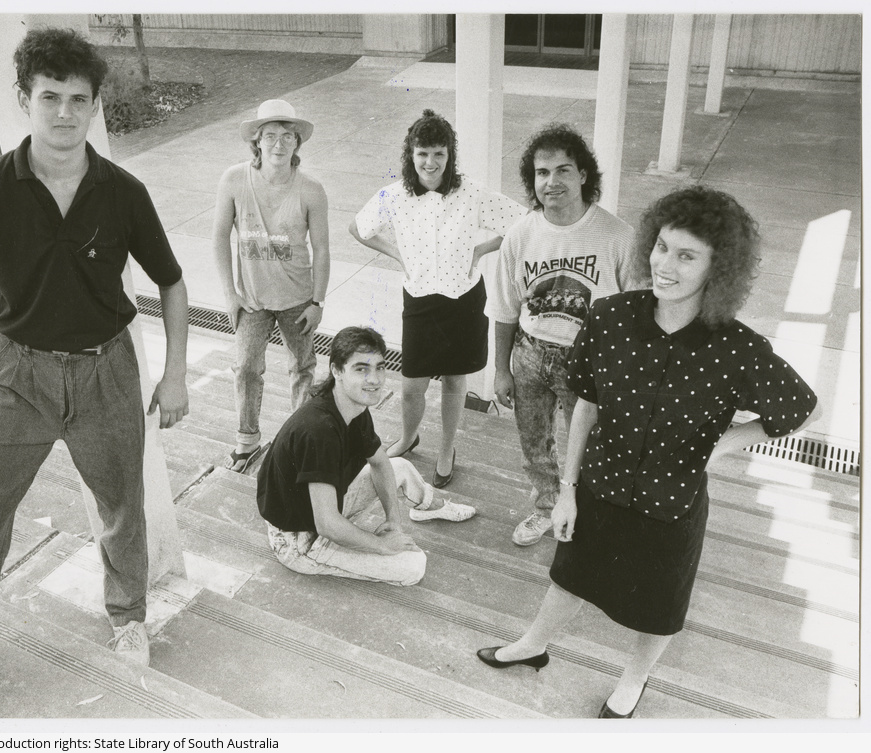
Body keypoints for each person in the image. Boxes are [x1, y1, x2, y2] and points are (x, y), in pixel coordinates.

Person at [0, 28, 190, 717]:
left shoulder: (122, 190)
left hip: (108, 374)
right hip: (21, 376)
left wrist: (176, 373)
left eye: (78, 99)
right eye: (50, 97)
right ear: (25, 99)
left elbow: (173, 283)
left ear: (95, 105)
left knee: (122, 506)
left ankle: (129, 617)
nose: (64, 113)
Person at [476, 186, 818, 718]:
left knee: (658, 605)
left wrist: (729, 443)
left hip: (671, 501)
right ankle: (533, 645)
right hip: (599, 484)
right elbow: (586, 402)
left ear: (717, 268)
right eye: (661, 247)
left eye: (686, 256)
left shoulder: (738, 348)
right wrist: (565, 492)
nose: (665, 265)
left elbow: (805, 408)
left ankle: (634, 680)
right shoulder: (609, 317)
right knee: (570, 574)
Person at [350, 109, 525, 493]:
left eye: (439, 154)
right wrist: (398, 254)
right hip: (420, 301)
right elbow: (357, 227)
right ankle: (409, 437)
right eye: (422, 154)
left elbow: (522, 222)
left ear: (450, 156)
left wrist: (481, 250)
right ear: (410, 155)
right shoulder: (393, 196)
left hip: (464, 301)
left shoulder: (473, 193)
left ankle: (447, 450)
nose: (430, 163)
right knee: (412, 386)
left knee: (454, 381)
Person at [488, 124, 641, 547]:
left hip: (589, 361)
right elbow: (503, 309)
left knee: (588, 447)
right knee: (534, 444)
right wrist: (502, 370)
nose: (551, 182)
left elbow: (638, 316)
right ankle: (544, 507)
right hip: (531, 355)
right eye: (541, 173)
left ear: (583, 175)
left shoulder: (618, 237)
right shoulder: (520, 235)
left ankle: (582, 512)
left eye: (563, 170)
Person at [257, 326, 476, 586]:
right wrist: (381, 545)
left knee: (400, 466)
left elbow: (380, 462)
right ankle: (332, 555)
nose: (374, 379)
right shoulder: (319, 430)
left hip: (323, 507)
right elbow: (327, 524)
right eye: (361, 369)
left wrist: (393, 521)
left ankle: (427, 507)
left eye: (380, 367)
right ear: (337, 371)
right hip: (299, 539)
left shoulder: (354, 406)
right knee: (413, 566)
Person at [212, 99, 330, 473]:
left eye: (288, 136)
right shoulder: (234, 179)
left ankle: (299, 442)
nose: (279, 144)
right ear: (257, 142)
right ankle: (247, 442)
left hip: (298, 297)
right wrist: (230, 293)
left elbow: (323, 248)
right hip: (252, 300)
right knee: (246, 367)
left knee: (302, 369)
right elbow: (218, 239)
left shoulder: (311, 189)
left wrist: (318, 301)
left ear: (298, 143)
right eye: (271, 136)